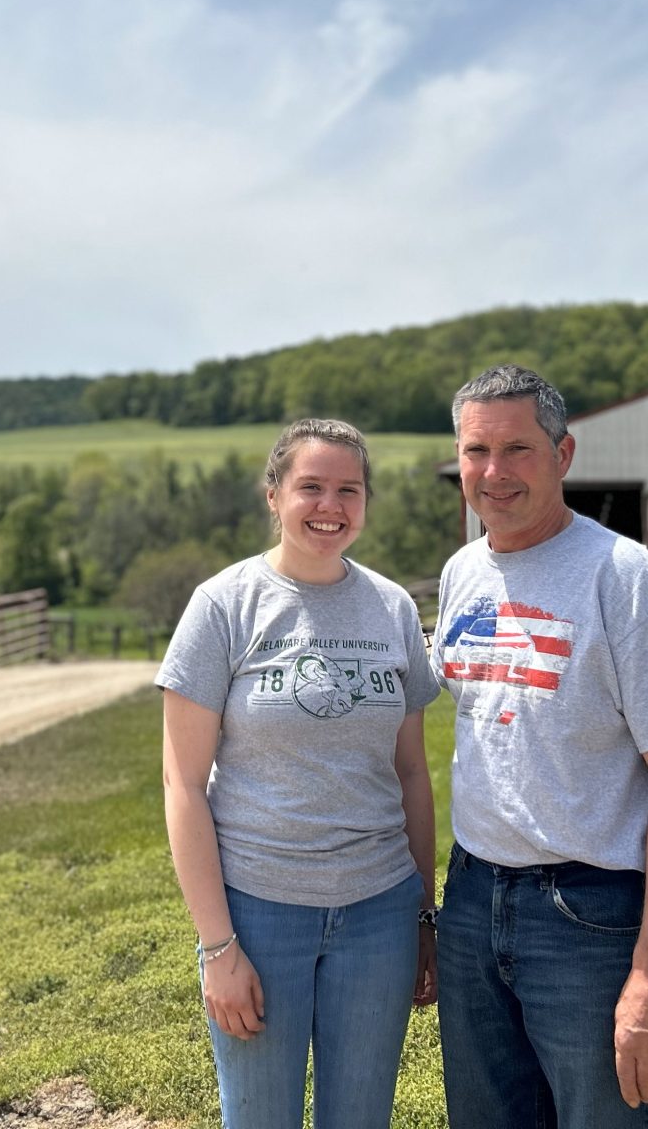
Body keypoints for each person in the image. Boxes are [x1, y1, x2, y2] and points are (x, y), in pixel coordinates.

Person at [432, 365, 648, 1128]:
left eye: (518, 449)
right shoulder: (463, 572)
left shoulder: (623, 578)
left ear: (563, 455)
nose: (495, 472)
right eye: (476, 450)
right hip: (470, 895)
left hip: (585, 914)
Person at [159, 418, 441, 1129]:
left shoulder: (393, 608)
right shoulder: (224, 605)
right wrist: (218, 947)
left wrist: (421, 914)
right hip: (258, 913)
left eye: (349, 489)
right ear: (274, 495)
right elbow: (183, 786)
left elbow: (411, 771)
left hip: (380, 913)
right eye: (310, 486)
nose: (331, 506)